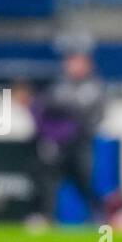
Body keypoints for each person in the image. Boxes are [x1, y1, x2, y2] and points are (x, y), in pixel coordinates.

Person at [30, 52, 105, 227]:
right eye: (70, 63)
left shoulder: (94, 87)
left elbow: (93, 114)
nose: (71, 67)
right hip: (58, 144)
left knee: (85, 180)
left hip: (81, 142)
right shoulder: (59, 86)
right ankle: (46, 216)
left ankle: (99, 217)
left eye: (76, 63)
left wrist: (69, 114)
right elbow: (44, 108)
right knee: (49, 181)